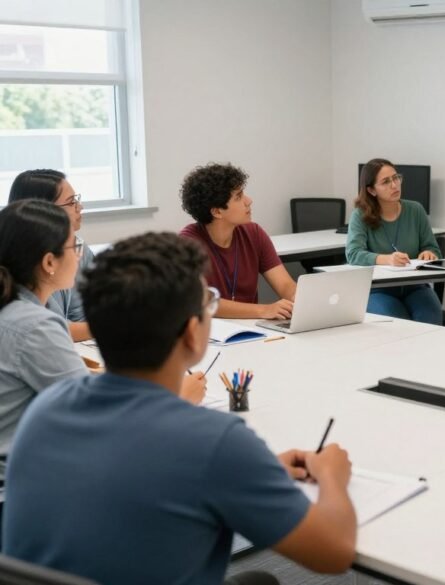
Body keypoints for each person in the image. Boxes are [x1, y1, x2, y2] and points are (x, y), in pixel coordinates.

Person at [2, 233, 357, 585]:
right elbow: (334, 552)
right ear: (192, 333)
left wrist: (254, 471)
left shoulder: (46, 410)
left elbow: (134, 469)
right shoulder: (215, 441)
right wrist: (331, 476)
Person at [0, 200, 90, 513]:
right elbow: (95, 415)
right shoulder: (35, 325)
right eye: (73, 246)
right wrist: (175, 395)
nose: (79, 255)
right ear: (49, 262)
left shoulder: (12, 311)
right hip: (16, 497)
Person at [180, 163, 297, 319]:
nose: (248, 201)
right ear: (217, 211)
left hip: (253, 331)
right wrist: (264, 310)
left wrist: (305, 302)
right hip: (211, 334)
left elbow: (286, 286)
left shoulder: (254, 233)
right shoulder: (188, 244)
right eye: (238, 197)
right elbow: (203, 301)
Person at [347, 158, 443, 325]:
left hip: (415, 286)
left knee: (431, 319)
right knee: (400, 325)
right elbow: (353, 254)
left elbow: (433, 248)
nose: (394, 185)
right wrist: (387, 259)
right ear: (371, 190)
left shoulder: (415, 210)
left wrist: (429, 253)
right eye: (385, 182)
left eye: (396, 178)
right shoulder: (360, 215)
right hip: (377, 290)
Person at [8, 169, 94, 341]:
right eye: (71, 203)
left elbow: (84, 313)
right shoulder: (24, 260)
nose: (80, 207)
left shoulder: (77, 246)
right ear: (42, 211)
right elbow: (49, 330)